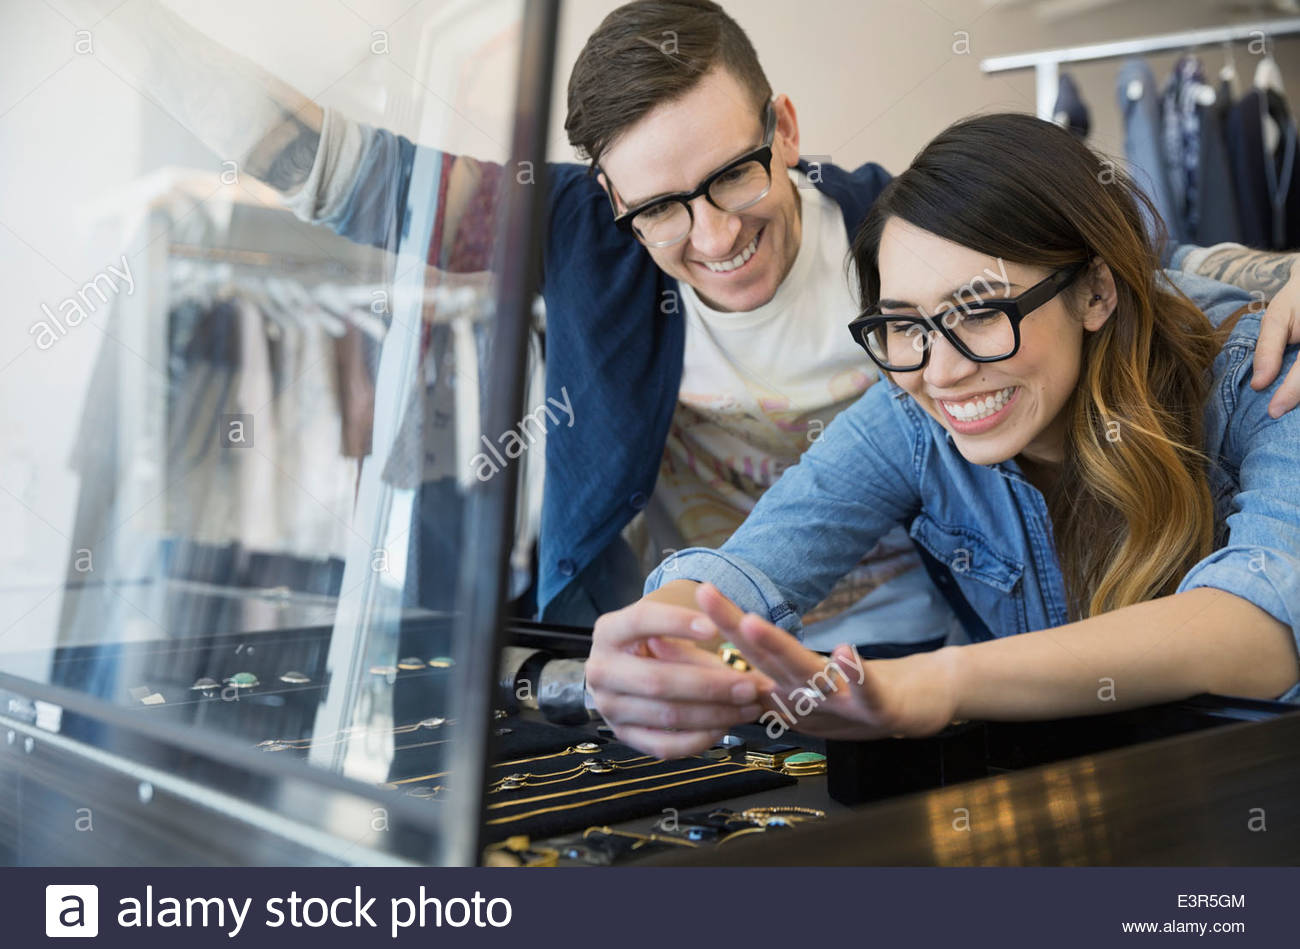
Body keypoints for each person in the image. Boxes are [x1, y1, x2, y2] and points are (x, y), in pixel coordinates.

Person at [101, 0, 1300, 648]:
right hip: (721, 644)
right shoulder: (573, 234)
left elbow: (1149, 269)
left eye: (732, 176)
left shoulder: (910, 235)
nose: (714, 234)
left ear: (782, 127)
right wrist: (116, 24)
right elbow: (345, 176)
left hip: (957, 645)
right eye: (660, 210)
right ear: (610, 199)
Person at [585, 113, 1300, 759]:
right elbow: (757, 562)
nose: (943, 371)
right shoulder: (910, 406)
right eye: (905, 324)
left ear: (1095, 291)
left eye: (982, 312)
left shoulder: (1262, 373)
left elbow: (1260, 629)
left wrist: (936, 683)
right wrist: (657, 632)